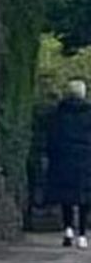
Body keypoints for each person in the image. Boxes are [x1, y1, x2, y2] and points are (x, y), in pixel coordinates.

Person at [46, 79, 91, 249]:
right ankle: (82, 235)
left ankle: (68, 229)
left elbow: (52, 135)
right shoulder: (89, 112)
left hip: (63, 158)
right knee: (84, 198)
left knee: (66, 197)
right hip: (86, 158)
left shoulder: (59, 112)